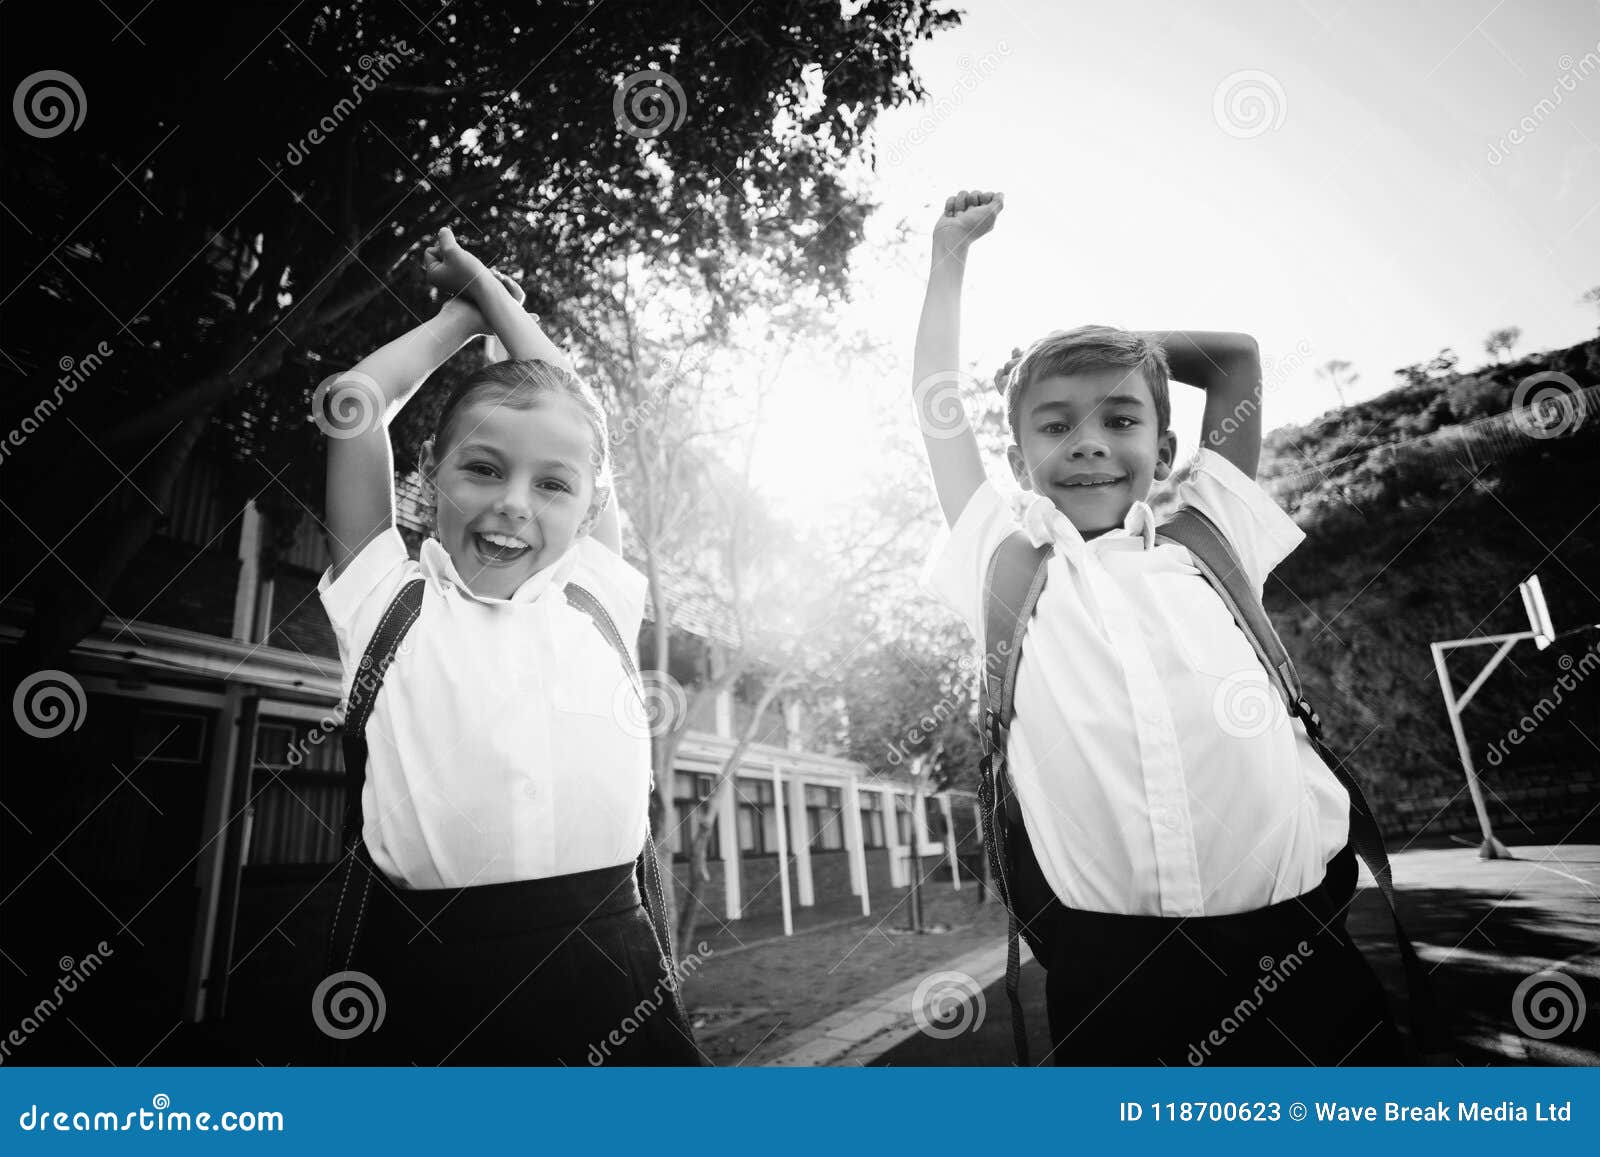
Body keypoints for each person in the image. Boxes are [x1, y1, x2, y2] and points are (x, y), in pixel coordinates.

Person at [913, 190, 1401, 1065]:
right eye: (1055, 425)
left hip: (1298, 950)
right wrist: (948, 262)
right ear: (1021, 460)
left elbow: (1237, 360)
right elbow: (935, 407)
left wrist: (1121, 349)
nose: (1089, 441)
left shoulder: (1211, 534)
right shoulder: (1009, 564)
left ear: (1166, 452)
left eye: (1121, 418)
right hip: (1114, 976)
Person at [315, 227, 702, 1065]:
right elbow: (352, 402)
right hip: (432, 988)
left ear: (592, 500)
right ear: (429, 471)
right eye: (484, 469)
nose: (515, 504)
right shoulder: (387, 601)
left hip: (616, 968)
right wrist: (463, 317)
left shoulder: (595, 594)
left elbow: (581, 417)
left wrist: (494, 295)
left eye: (553, 484)